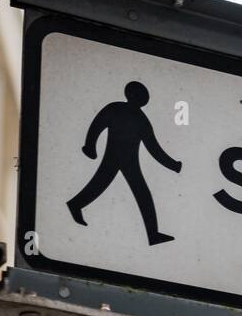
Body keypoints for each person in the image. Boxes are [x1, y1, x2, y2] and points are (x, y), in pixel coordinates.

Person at [66, 80, 181, 245]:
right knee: (134, 192)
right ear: (131, 95)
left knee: (105, 186)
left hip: (128, 161)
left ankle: (75, 204)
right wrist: (90, 146)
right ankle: (153, 234)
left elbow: (153, 147)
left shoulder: (140, 119)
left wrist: (172, 165)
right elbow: (97, 126)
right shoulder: (117, 109)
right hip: (116, 158)